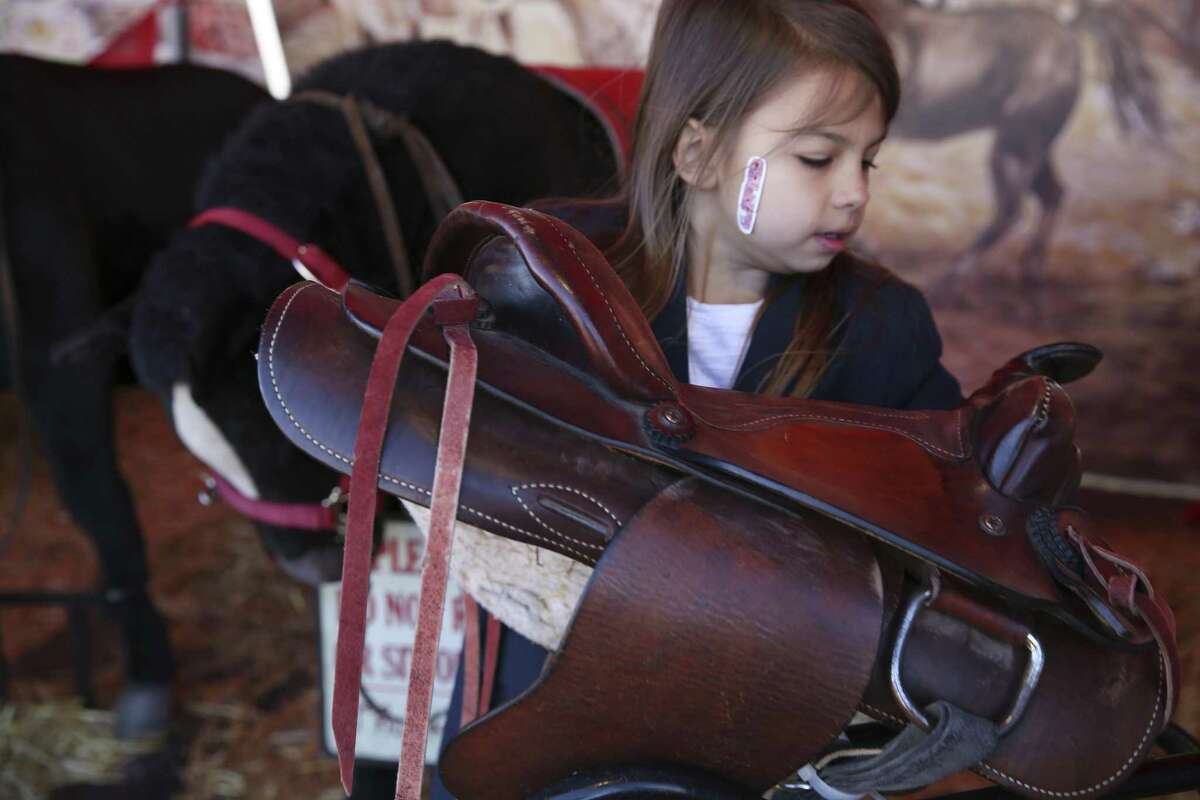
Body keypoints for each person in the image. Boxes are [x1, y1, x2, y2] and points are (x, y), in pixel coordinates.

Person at [431, 0, 961, 796]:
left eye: (869, 161)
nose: (854, 192)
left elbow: (942, 518)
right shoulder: (545, 280)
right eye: (819, 158)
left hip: (775, 731)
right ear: (700, 154)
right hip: (543, 705)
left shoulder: (885, 329)